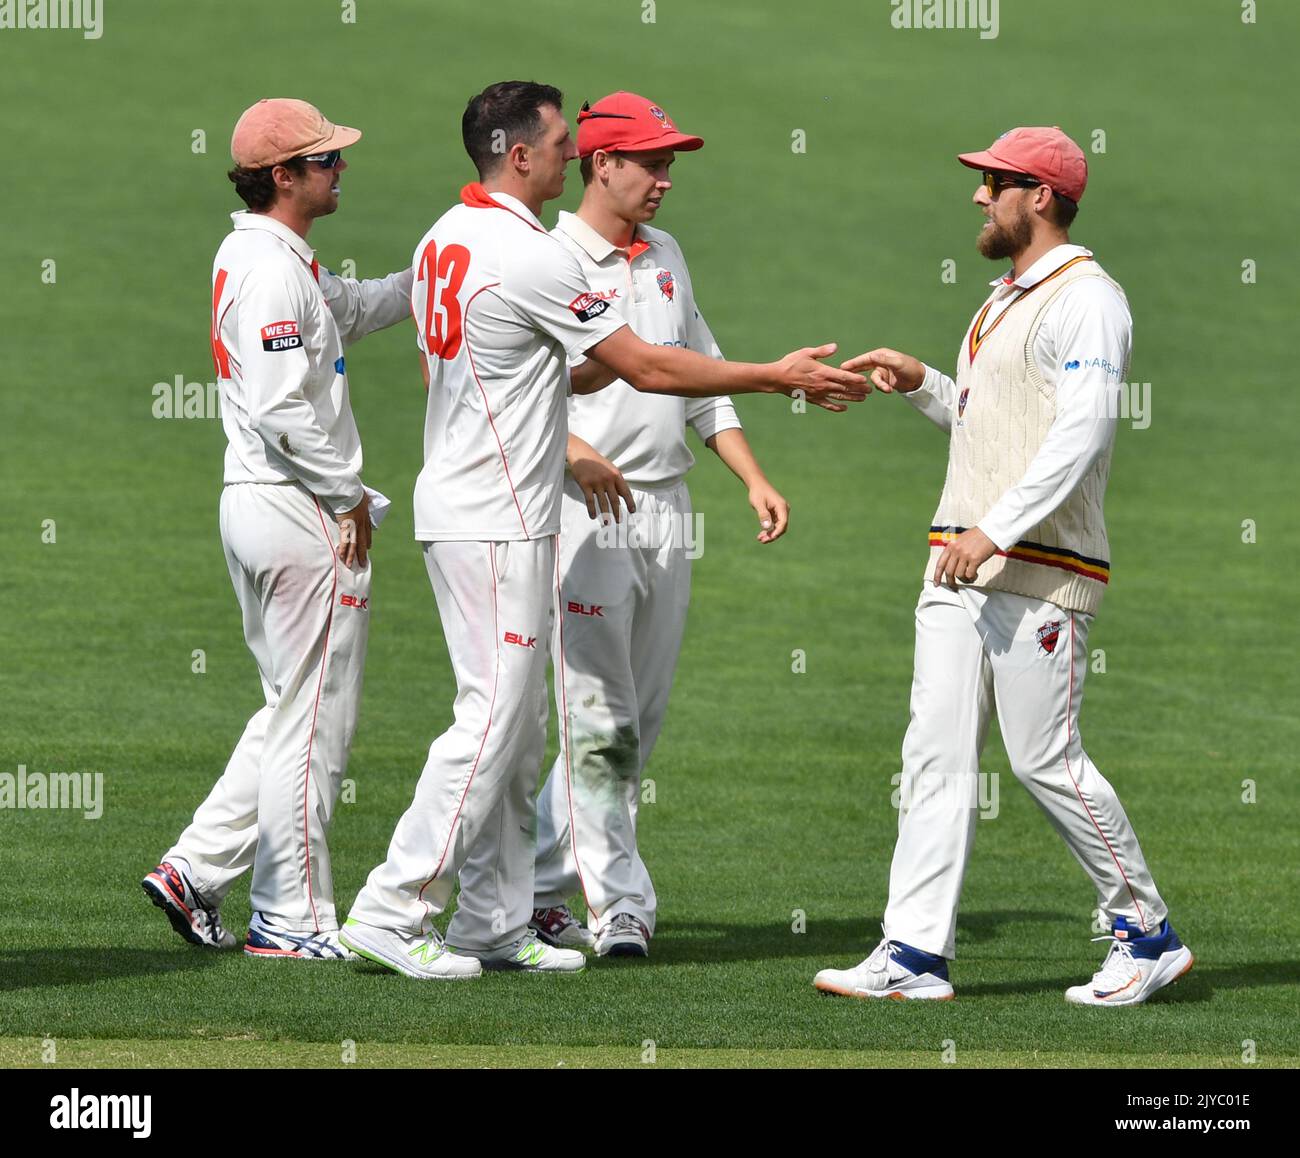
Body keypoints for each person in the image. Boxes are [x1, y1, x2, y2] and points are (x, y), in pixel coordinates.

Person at [340, 80, 865, 980]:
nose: (568, 151)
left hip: (482, 507)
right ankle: (392, 907)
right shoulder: (536, 255)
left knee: (523, 729)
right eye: (558, 142)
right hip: (501, 514)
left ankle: (495, 921)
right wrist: (778, 377)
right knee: (495, 720)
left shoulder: (445, 237)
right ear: (522, 156)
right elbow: (648, 368)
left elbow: (528, 367)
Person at [816, 127, 1193, 1005]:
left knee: (1043, 761)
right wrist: (923, 385)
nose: (978, 197)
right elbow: (996, 429)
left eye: (995, 183)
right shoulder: (1002, 299)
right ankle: (913, 955)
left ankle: (1147, 933)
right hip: (958, 564)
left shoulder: (1089, 298)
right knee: (934, 760)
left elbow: (1083, 431)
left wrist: (997, 528)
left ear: (1043, 196)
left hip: (1037, 569)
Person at [463, 90, 789, 960]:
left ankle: (534, 888)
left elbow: (697, 373)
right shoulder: (549, 260)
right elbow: (504, 384)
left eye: (671, 163)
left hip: (668, 515)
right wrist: (571, 451)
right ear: (602, 165)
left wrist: (751, 476)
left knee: (637, 718)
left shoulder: (667, 255)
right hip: (585, 517)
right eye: (652, 163)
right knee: (596, 717)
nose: (666, 180)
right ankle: (621, 907)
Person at [142, 98, 413, 959]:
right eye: (325, 159)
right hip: (296, 508)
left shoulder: (273, 256)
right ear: (283, 176)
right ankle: (290, 918)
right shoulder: (267, 269)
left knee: (288, 708)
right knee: (314, 725)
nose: (341, 168)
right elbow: (276, 403)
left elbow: (358, 307)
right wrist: (345, 497)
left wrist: (440, 268)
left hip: (264, 502)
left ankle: (193, 868)